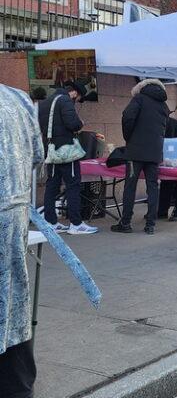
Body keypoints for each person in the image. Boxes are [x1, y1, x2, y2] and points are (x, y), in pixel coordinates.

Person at [0, 85, 44, 398]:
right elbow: (37, 156)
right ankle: (17, 386)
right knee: (13, 300)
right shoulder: (16, 98)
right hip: (12, 218)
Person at [38, 80, 98, 235]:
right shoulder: (65, 100)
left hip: (50, 150)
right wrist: (80, 123)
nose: (75, 101)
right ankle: (76, 224)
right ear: (74, 93)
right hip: (66, 150)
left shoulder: (46, 102)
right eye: (77, 99)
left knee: (52, 185)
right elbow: (73, 124)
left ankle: (50, 222)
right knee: (73, 185)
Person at [111, 79, 169, 235]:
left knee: (130, 186)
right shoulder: (163, 105)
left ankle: (126, 222)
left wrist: (129, 138)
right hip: (155, 152)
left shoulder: (139, 99)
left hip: (135, 151)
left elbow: (127, 117)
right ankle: (150, 224)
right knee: (153, 187)